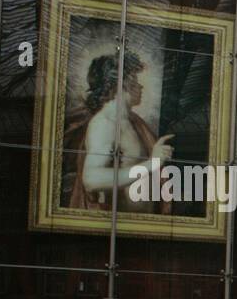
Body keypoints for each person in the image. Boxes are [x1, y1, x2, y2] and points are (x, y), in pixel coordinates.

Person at [69, 51, 175, 214]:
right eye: (135, 80)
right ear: (120, 83)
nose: (140, 86)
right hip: (121, 230)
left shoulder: (132, 121)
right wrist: (151, 164)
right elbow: (92, 179)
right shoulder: (105, 125)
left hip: (141, 226)